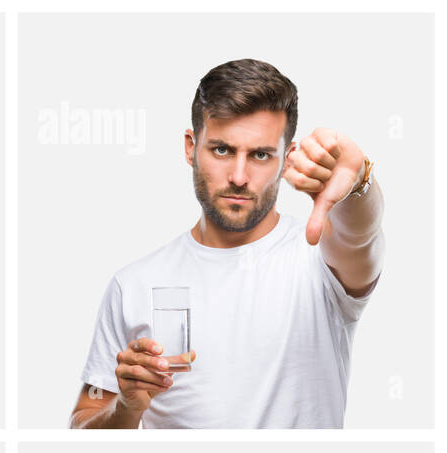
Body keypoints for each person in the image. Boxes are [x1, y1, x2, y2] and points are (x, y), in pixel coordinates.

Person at [70, 58, 382, 429]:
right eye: (221, 150)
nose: (238, 176)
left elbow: (359, 236)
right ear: (191, 147)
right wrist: (126, 406)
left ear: (286, 158)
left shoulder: (318, 261)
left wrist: (360, 181)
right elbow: (83, 425)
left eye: (261, 155)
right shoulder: (133, 284)